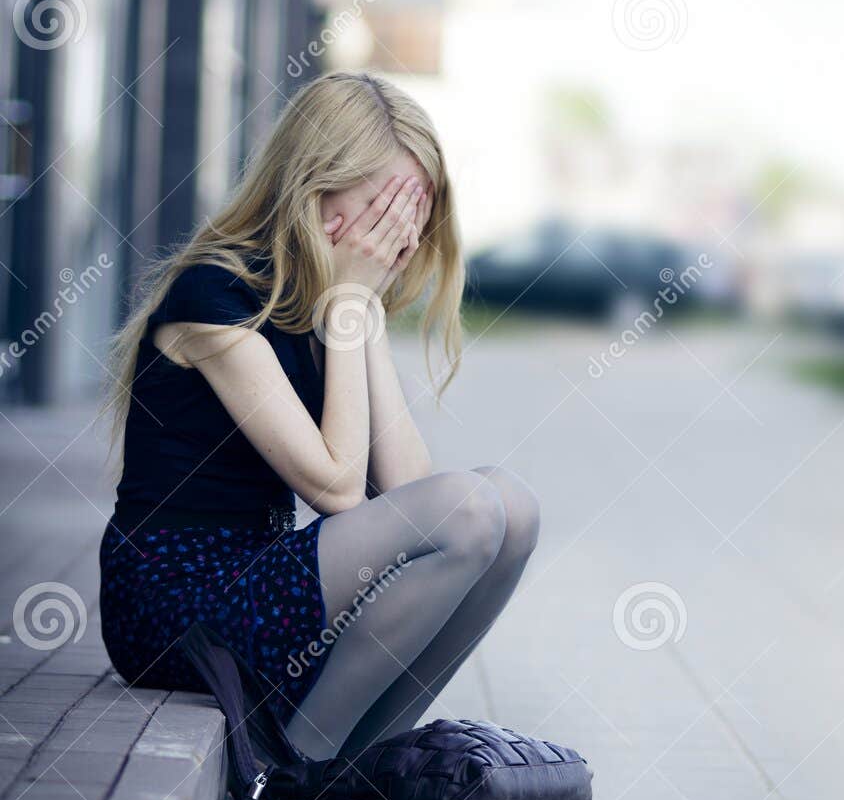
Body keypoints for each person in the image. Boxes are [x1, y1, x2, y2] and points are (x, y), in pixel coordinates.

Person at [99, 71, 538, 759]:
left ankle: (366, 758)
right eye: (383, 206)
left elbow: (406, 493)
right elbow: (336, 490)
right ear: (313, 186)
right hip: (177, 603)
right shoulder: (213, 295)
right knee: (474, 508)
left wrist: (359, 311)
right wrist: (351, 302)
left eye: (413, 209)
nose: (398, 232)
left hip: (260, 578)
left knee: (511, 508)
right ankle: (293, 769)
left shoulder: (326, 298)